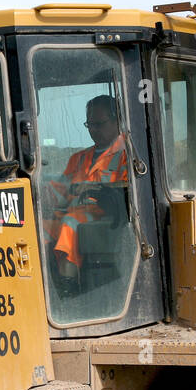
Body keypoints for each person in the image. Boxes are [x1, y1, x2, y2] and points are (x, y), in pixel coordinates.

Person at [46, 95, 128, 278]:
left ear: (118, 121)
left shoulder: (127, 157)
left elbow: (127, 194)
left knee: (70, 224)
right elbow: (58, 190)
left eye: (99, 124)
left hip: (103, 213)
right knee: (40, 228)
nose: (93, 130)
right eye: (89, 124)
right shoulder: (78, 159)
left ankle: (68, 284)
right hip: (71, 210)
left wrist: (94, 189)